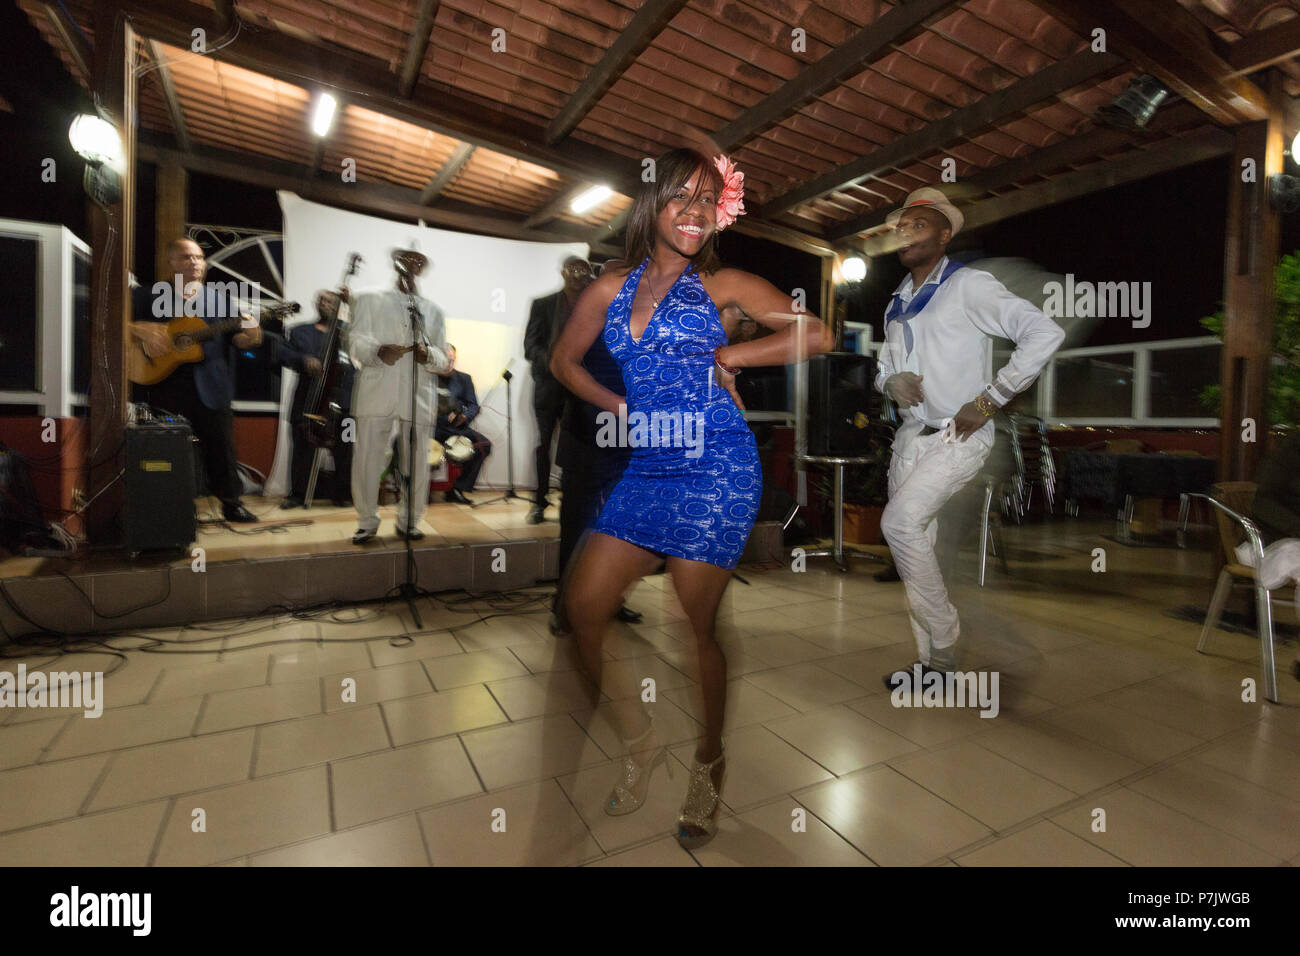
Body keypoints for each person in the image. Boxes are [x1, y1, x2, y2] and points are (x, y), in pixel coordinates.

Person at [550, 148, 827, 849]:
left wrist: (731, 356)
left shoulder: (725, 283)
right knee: (583, 607)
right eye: (682, 196)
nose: (697, 211)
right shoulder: (609, 287)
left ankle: (708, 762)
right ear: (652, 205)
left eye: (710, 199)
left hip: (717, 465)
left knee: (692, 625)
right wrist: (617, 401)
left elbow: (815, 331)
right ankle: (640, 740)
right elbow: (563, 360)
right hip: (649, 465)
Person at [875, 187, 1064, 683]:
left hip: (958, 437)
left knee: (898, 525)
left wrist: (989, 400)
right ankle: (932, 665)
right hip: (910, 438)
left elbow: (1043, 333)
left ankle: (947, 632)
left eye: (919, 224)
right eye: (901, 225)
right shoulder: (896, 301)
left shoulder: (968, 285)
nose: (906, 231)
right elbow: (883, 368)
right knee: (914, 544)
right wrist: (890, 382)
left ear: (944, 234)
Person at [128, 237, 264, 523]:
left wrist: (252, 336)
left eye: (199, 257)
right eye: (186, 257)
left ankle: (231, 504)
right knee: (169, 450)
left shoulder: (221, 299)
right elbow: (115, 324)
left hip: (212, 387)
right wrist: (141, 330)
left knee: (221, 449)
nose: (195, 262)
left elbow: (240, 339)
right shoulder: (146, 295)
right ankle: (173, 507)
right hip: (162, 384)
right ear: (170, 263)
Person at [551, 267, 642, 633]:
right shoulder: (586, 318)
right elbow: (565, 367)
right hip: (588, 437)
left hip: (631, 442)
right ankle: (564, 610)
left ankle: (611, 600)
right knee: (577, 527)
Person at [348, 249, 451, 545]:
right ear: (395, 263)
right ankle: (366, 521)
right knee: (368, 460)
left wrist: (427, 354)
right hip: (376, 390)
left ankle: (410, 521)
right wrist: (377, 351)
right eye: (406, 258)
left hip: (419, 394)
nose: (412, 264)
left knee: (418, 462)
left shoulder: (433, 310)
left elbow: (443, 359)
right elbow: (354, 341)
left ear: (423, 269)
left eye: (419, 261)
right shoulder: (368, 298)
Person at [525, 256, 595, 523]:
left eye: (583, 270)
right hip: (548, 386)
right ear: (563, 273)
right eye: (573, 269)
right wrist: (556, 364)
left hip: (580, 389)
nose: (578, 274)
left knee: (575, 446)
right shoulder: (543, 305)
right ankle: (539, 502)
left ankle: (571, 499)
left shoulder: (593, 307)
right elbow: (530, 346)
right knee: (544, 445)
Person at [279, 291, 352, 509]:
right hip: (308, 401)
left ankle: (343, 494)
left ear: (339, 306)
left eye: (330, 301)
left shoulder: (349, 333)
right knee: (302, 447)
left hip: (344, 404)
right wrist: (304, 360)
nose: (325, 304)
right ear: (316, 304)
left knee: (346, 447)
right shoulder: (299, 331)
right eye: (321, 300)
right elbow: (283, 354)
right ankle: (297, 494)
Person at [434, 345, 491, 504]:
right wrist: (444, 417)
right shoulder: (428, 378)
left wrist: (464, 416)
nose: (450, 363)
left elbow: (473, 405)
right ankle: (418, 490)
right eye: (446, 359)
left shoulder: (464, 379)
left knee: (484, 445)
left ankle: (458, 489)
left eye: (452, 359)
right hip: (434, 428)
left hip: (457, 428)